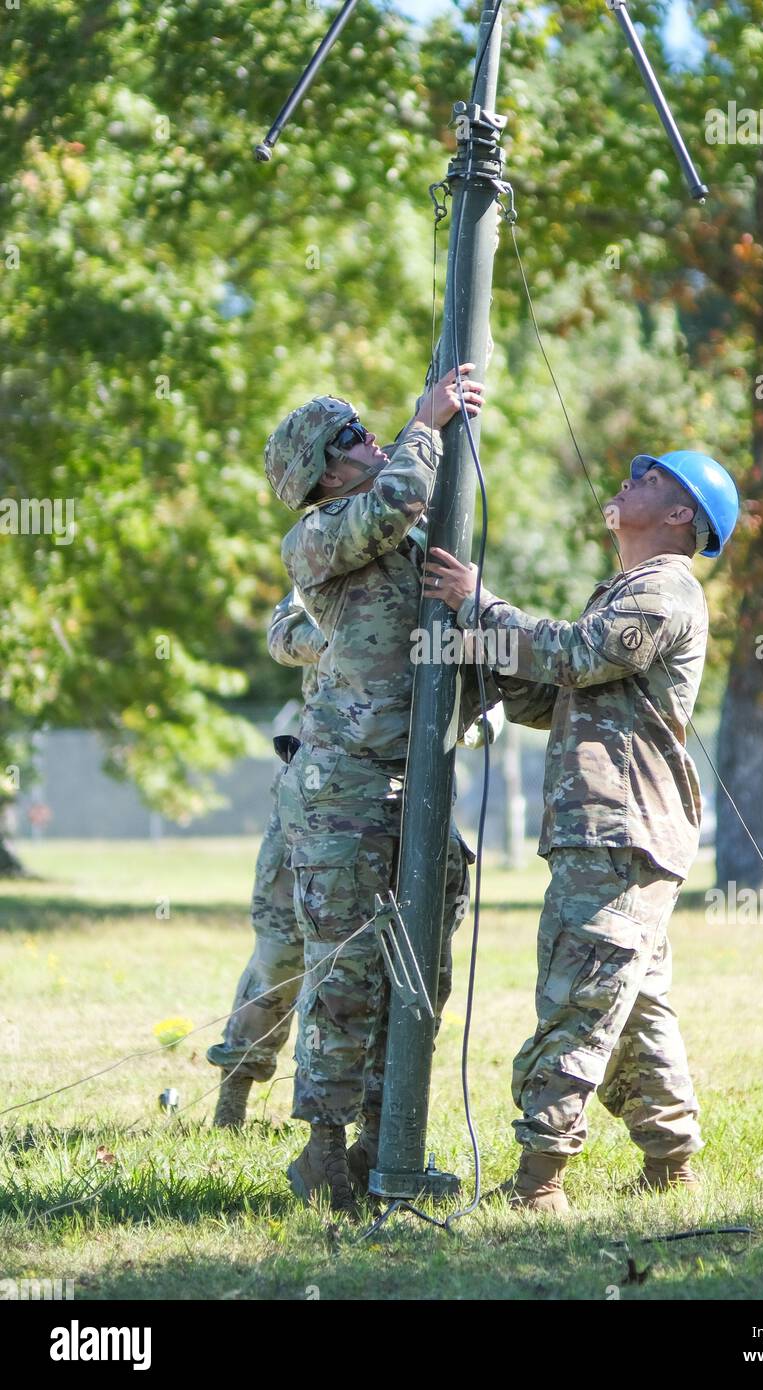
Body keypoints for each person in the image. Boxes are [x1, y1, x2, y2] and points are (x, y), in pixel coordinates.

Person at [425, 449, 739, 1212]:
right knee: (630, 1006)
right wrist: (481, 654)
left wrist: (480, 606)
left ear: (679, 518)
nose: (628, 480)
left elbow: (576, 654)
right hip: (619, 832)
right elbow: (556, 694)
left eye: (651, 479)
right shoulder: (630, 589)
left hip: (619, 833)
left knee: (576, 999)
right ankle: (671, 1168)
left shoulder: (664, 588)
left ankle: (539, 1185)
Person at [264, 364, 488, 1213]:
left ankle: (381, 1146)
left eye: (370, 431)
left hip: (413, 780)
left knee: (416, 970)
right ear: (324, 471)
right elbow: (393, 498)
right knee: (347, 970)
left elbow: (410, 511)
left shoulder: (398, 528)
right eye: (353, 436)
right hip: (346, 787)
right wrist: (427, 422)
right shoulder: (320, 535)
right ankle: (322, 1155)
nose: (373, 439)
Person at [207, 589, 326, 1127]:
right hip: (312, 790)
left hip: (400, 797)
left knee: (376, 961)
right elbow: (282, 636)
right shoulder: (333, 546)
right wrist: (348, 638)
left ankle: (353, 1123)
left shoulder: (446, 565)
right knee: (281, 950)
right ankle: (235, 1094)